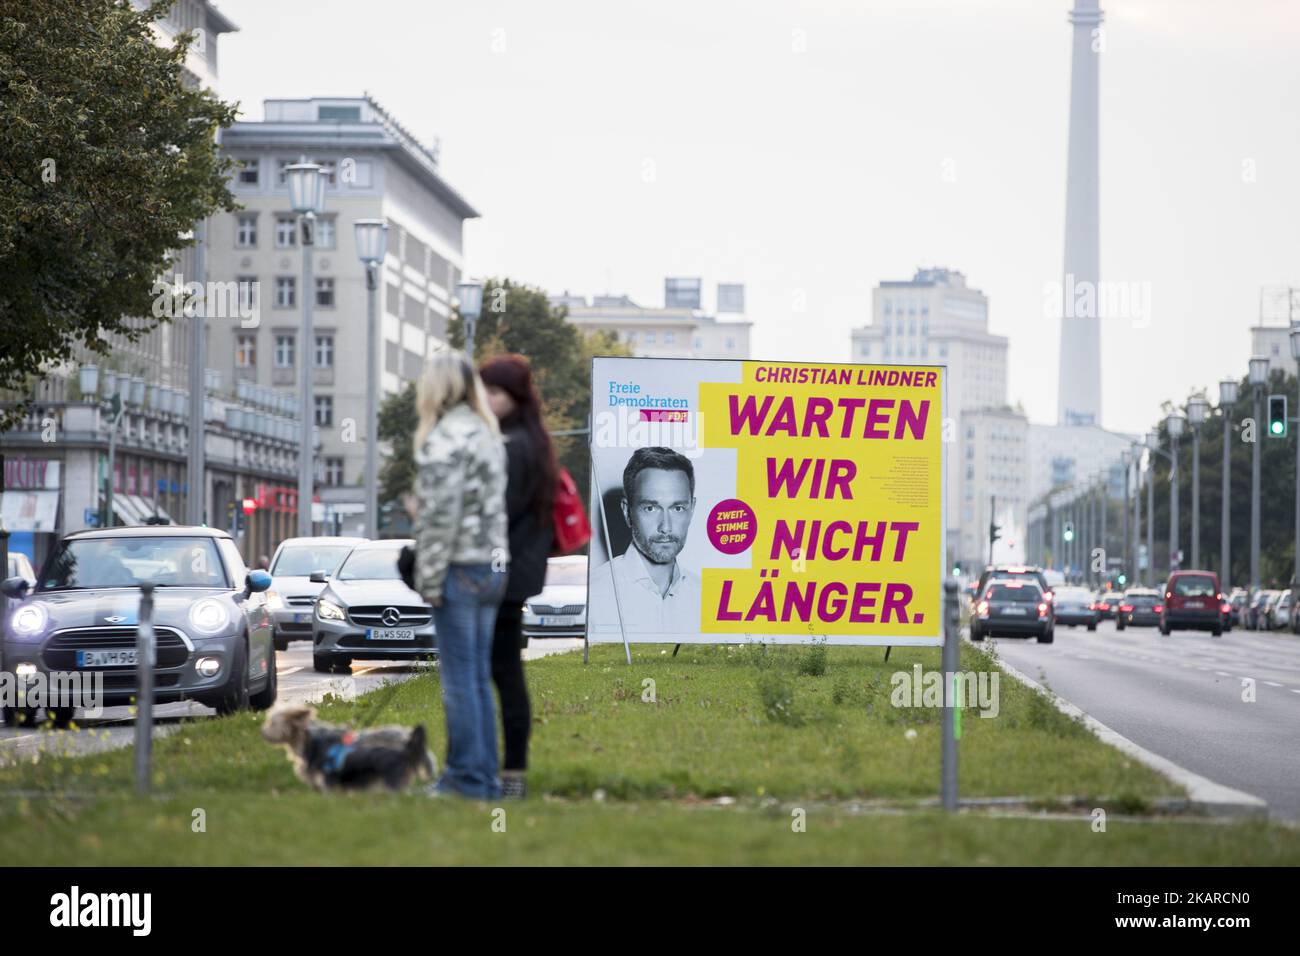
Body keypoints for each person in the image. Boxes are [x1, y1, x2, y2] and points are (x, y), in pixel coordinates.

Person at [410, 350, 510, 800]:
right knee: (477, 679)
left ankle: (465, 780)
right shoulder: (487, 432)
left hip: (459, 566)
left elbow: (441, 517)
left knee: (457, 682)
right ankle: (484, 777)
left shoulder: (445, 437)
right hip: (492, 566)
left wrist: (428, 580)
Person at [479, 354, 558, 799]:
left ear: (515, 396)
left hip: (502, 576)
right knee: (503, 674)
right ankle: (508, 773)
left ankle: (508, 775)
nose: (486, 400)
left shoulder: (513, 446)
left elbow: (498, 513)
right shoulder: (534, 440)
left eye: (494, 392)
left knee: (501, 675)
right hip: (516, 574)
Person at [589, 446, 701, 633]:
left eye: (678, 508)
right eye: (650, 508)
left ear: (692, 510)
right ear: (627, 511)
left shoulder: (705, 595)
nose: (665, 527)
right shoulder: (595, 593)